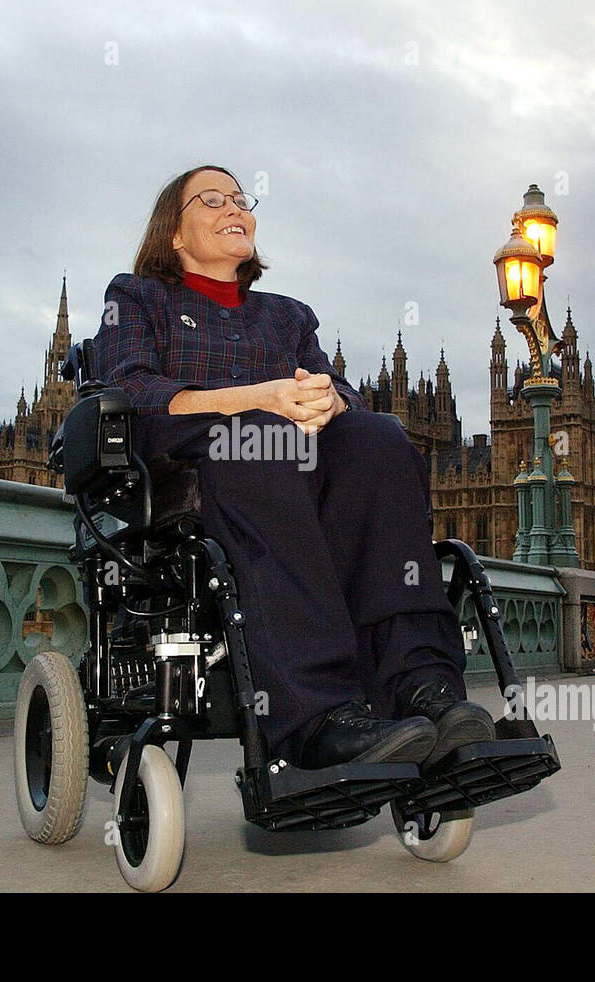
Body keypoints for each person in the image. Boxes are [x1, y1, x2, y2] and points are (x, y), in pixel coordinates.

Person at [93, 164, 494, 771]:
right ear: (173, 233)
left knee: (379, 439)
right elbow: (136, 392)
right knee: (264, 439)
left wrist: (331, 400)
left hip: (294, 464)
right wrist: (260, 400)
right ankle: (317, 715)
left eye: (240, 198)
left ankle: (419, 685)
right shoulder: (137, 296)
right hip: (190, 470)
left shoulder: (288, 316)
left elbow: (338, 392)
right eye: (212, 199)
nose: (235, 207)